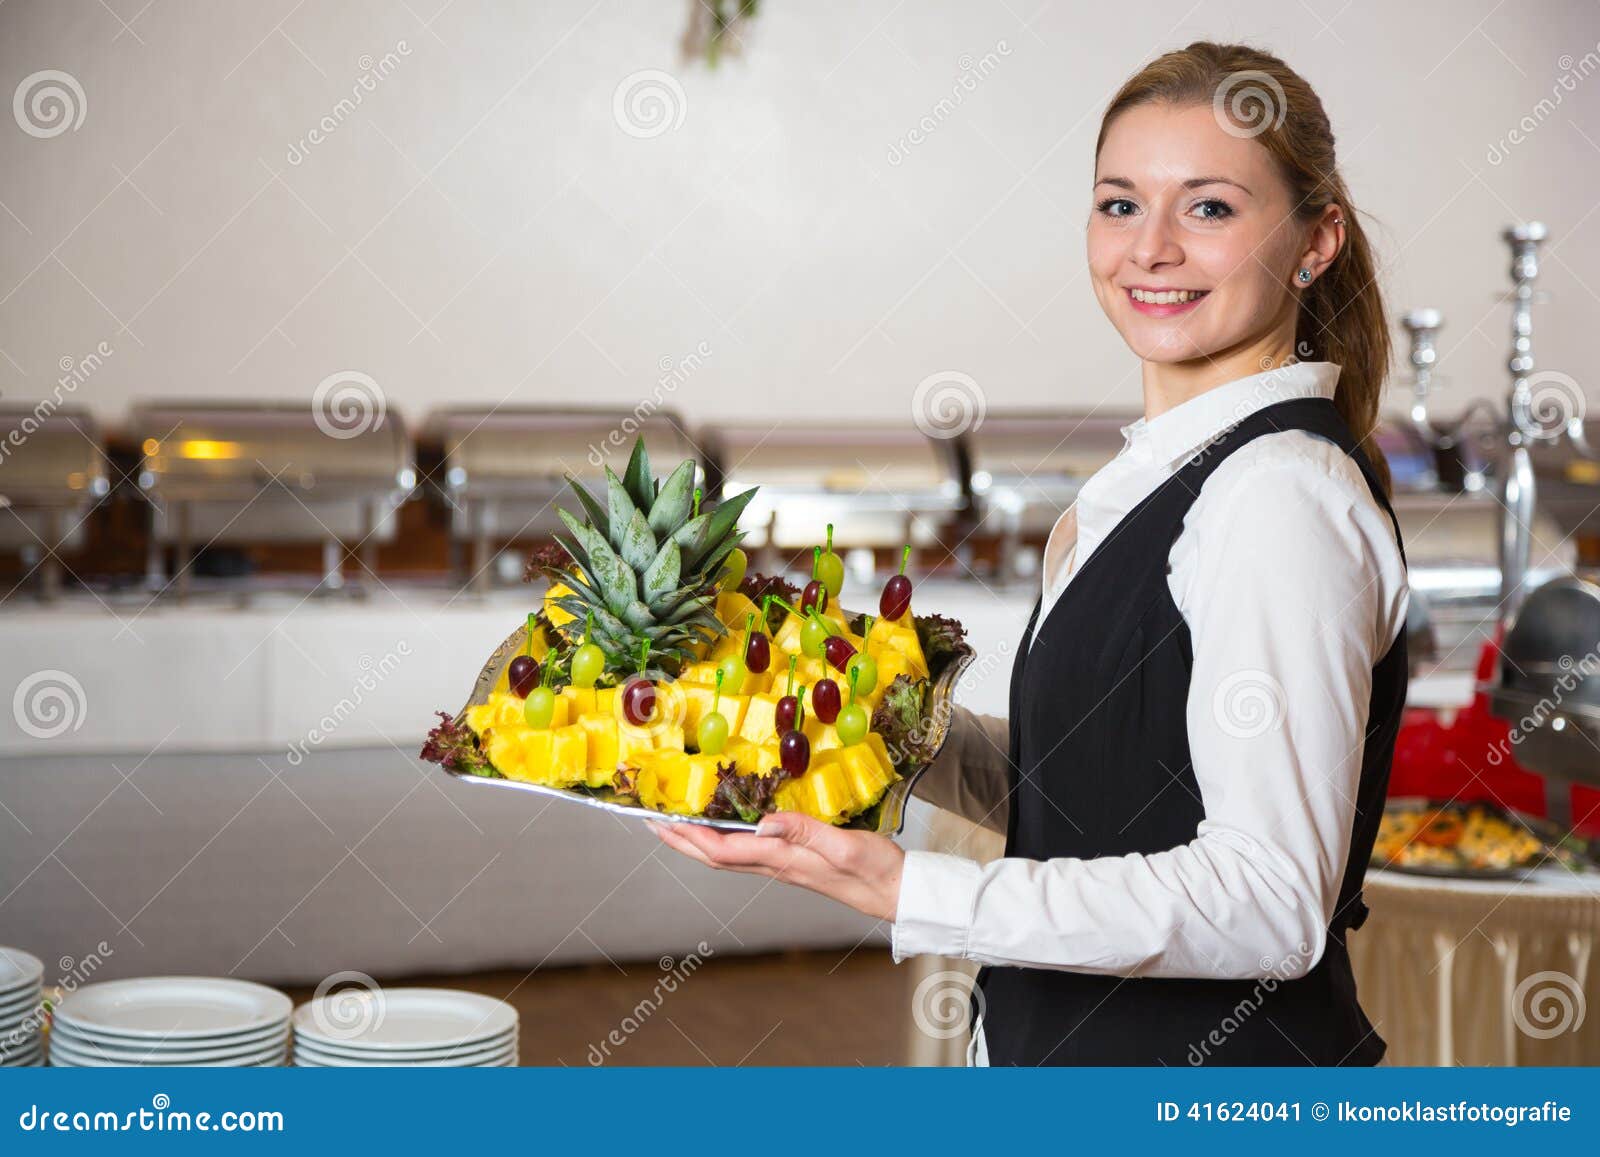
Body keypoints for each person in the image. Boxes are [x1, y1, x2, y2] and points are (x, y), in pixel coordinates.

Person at [652, 40, 1408, 1067]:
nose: (1151, 248)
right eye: (1119, 204)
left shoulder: (1278, 496)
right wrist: (881, 724)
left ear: (1316, 240)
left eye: (1209, 208)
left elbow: (1270, 902)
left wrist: (907, 888)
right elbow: (1110, 792)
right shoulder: (1175, 473)